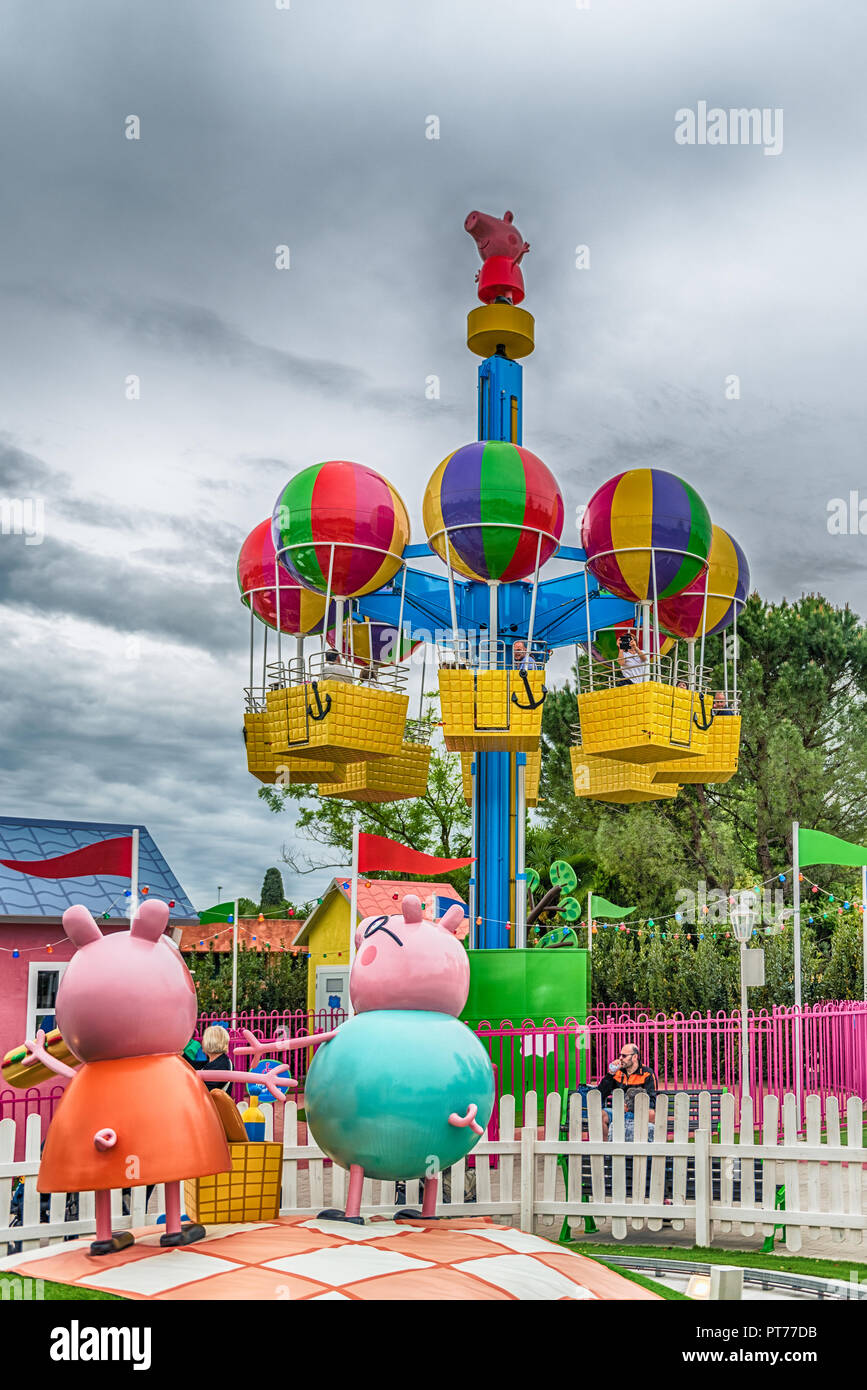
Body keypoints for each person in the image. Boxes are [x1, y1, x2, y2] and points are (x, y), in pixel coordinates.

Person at [596, 1043, 656, 1140]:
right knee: (600, 1115)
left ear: (635, 1057)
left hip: (639, 1112)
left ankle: (647, 1149)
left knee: (652, 1114)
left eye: (624, 1056)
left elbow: (652, 1100)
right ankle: (607, 1151)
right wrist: (611, 1073)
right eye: (620, 1055)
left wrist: (631, 1108)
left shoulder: (647, 1073)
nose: (620, 1058)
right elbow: (601, 1093)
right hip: (618, 1111)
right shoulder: (617, 1072)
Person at [191, 1025, 234, 1093]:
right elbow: (192, 1066)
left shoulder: (220, 1065)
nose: (202, 1042)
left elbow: (205, 1091)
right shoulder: (217, 1061)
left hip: (213, 1103)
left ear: (210, 1042)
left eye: (204, 1039)